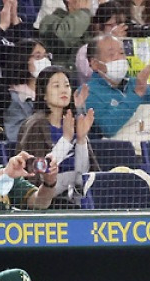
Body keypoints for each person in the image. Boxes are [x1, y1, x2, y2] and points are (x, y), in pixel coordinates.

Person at [16, 65, 96, 207]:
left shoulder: (74, 122)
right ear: (43, 94)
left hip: (76, 198)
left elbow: (84, 174)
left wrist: (81, 139)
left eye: (66, 85)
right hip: (47, 199)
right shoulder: (35, 125)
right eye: (56, 86)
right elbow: (38, 173)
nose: (63, 90)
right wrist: (66, 140)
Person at [85, 34, 150, 139]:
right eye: (111, 54)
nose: (119, 58)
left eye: (121, 53)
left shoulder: (135, 83)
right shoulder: (87, 92)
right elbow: (107, 128)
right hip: (118, 148)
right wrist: (136, 95)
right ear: (95, 64)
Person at [4, 38, 52, 143]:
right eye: (38, 56)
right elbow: (14, 136)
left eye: (46, 56)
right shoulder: (14, 97)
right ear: (24, 60)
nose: (45, 61)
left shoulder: (54, 93)